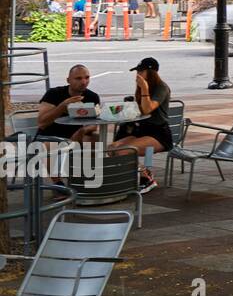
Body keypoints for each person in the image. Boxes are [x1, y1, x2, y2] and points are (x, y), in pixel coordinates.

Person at [109, 57, 172, 194]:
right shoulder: (141, 88)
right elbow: (140, 111)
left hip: (158, 133)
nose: (138, 75)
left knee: (123, 151)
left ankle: (146, 179)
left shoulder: (161, 88)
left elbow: (148, 108)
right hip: (141, 130)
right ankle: (141, 173)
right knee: (112, 148)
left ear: (151, 72)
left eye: (141, 71)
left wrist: (144, 88)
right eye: (137, 71)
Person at [36, 65, 101, 143]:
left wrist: (83, 130)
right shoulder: (54, 93)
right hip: (50, 137)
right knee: (51, 146)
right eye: (78, 78)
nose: (84, 82)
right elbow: (42, 123)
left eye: (87, 78)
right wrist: (62, 107)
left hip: (75, 136)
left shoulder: (92, 97)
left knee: (95, 139)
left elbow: (94, 124)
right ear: (68, 80)